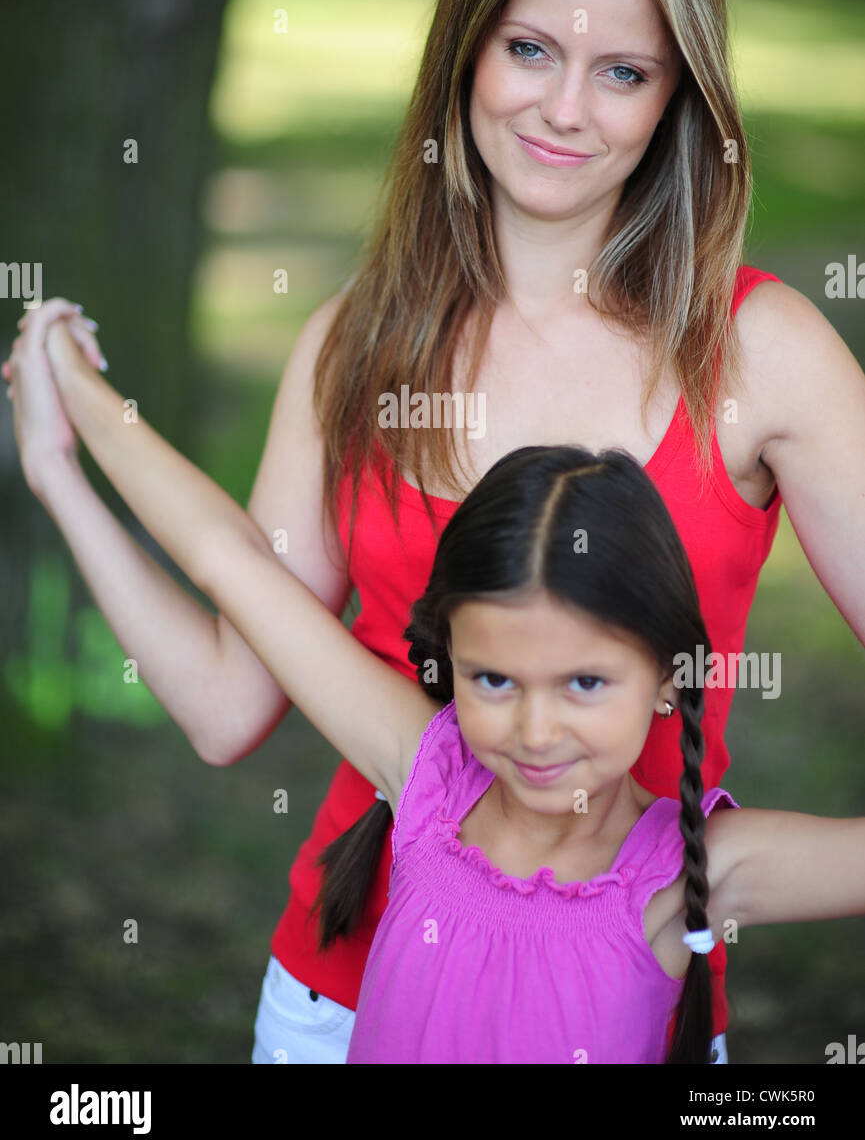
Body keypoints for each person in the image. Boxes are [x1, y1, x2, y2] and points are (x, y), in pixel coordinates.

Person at [6, 0, 865, 1063]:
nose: (564, 110)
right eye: (528, 50)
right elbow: (220, 700)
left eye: (621, 73)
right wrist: (58, 464)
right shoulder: (357, 344)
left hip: (617, 1004)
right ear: (464, 52)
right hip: (340, 1000)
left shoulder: (759, 349)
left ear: (677, 104)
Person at [8, 341, 865, 1062]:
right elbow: (225, 557)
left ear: (669, 679)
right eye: (493, 680)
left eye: (585, 683)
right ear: (449, 661)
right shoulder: (428, 780)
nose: (534, 731)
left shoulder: (689, 877)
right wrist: (64, 423)